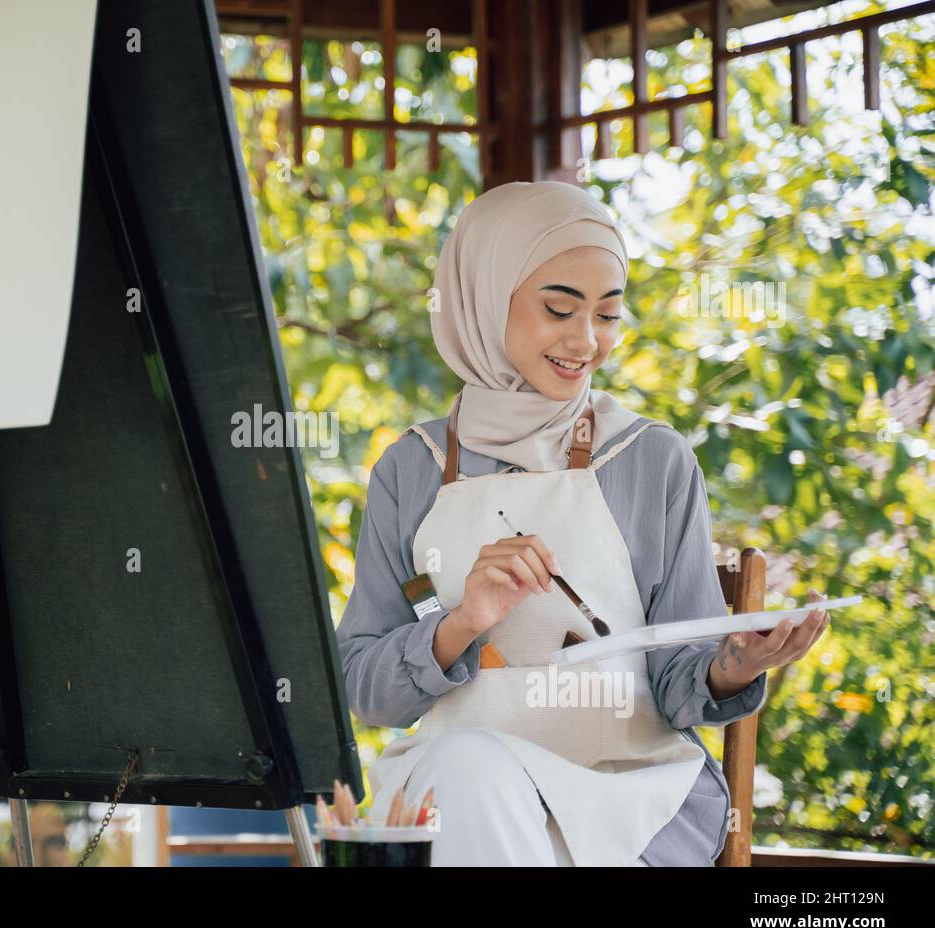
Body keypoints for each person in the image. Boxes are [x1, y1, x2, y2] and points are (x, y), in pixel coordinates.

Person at [336, 181, 831, 866]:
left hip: (623, 796)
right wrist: (459, 624)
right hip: (456, 790)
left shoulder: (653, 460)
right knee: (472, 769)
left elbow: (680, 679)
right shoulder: (410, 470)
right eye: (560, 308)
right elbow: (366, 690)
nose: (586, 341)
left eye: (607, 314)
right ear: (484, 297)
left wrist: (731, 666)